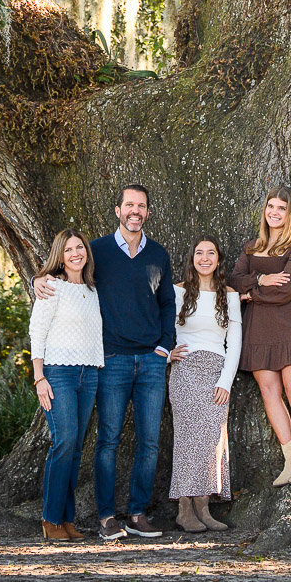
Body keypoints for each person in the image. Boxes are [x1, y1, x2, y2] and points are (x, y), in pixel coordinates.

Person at [33, 184, 175, 540]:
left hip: (150, 362)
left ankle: (138, 514)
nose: (135, 211)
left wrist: (165, 347)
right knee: (104, 441)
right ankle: (105, 518)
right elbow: (60, 275)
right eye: (129, 205)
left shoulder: (158, 254)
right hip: (109, 362)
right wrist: (36, 280)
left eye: (141, 206)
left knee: (149, 441)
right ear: (117, 210)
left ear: (147, 211)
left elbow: (168, 304)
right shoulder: (95, 250)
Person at [230, 185, 291, 488]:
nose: (274, 212)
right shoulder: (252, 246)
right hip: (257, 328)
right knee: (269, 392)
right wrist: (260, 279)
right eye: (271, 206)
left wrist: (250, 293)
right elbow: (232, 281)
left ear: (290, 212)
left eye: (281, 207)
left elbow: (286, 289)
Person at [28, 227, 104, 543]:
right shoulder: (51, 288)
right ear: (60, 255)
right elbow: (37, 332)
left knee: (74, 450)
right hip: (59, 373)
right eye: (69, 249)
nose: (76, 254)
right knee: (64, 442)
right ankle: (50, 518)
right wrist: (39, 377)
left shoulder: (92, 290)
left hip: (90, 375)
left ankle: (67, 519)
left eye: (80, 248)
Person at [167, 235, 242, 533]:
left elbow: (234, 343)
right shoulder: (177, 292)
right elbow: (161, 328)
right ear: (192, 259)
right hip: (185, 372)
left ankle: (204, 506)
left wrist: (226, 381)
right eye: (199, 253)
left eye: (211, 253)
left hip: (215, 373)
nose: (205, 258)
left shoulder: (230, 295)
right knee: (187, 440)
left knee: (211, 441)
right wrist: (166, 353)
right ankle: (184, 509)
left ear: (218, 259)